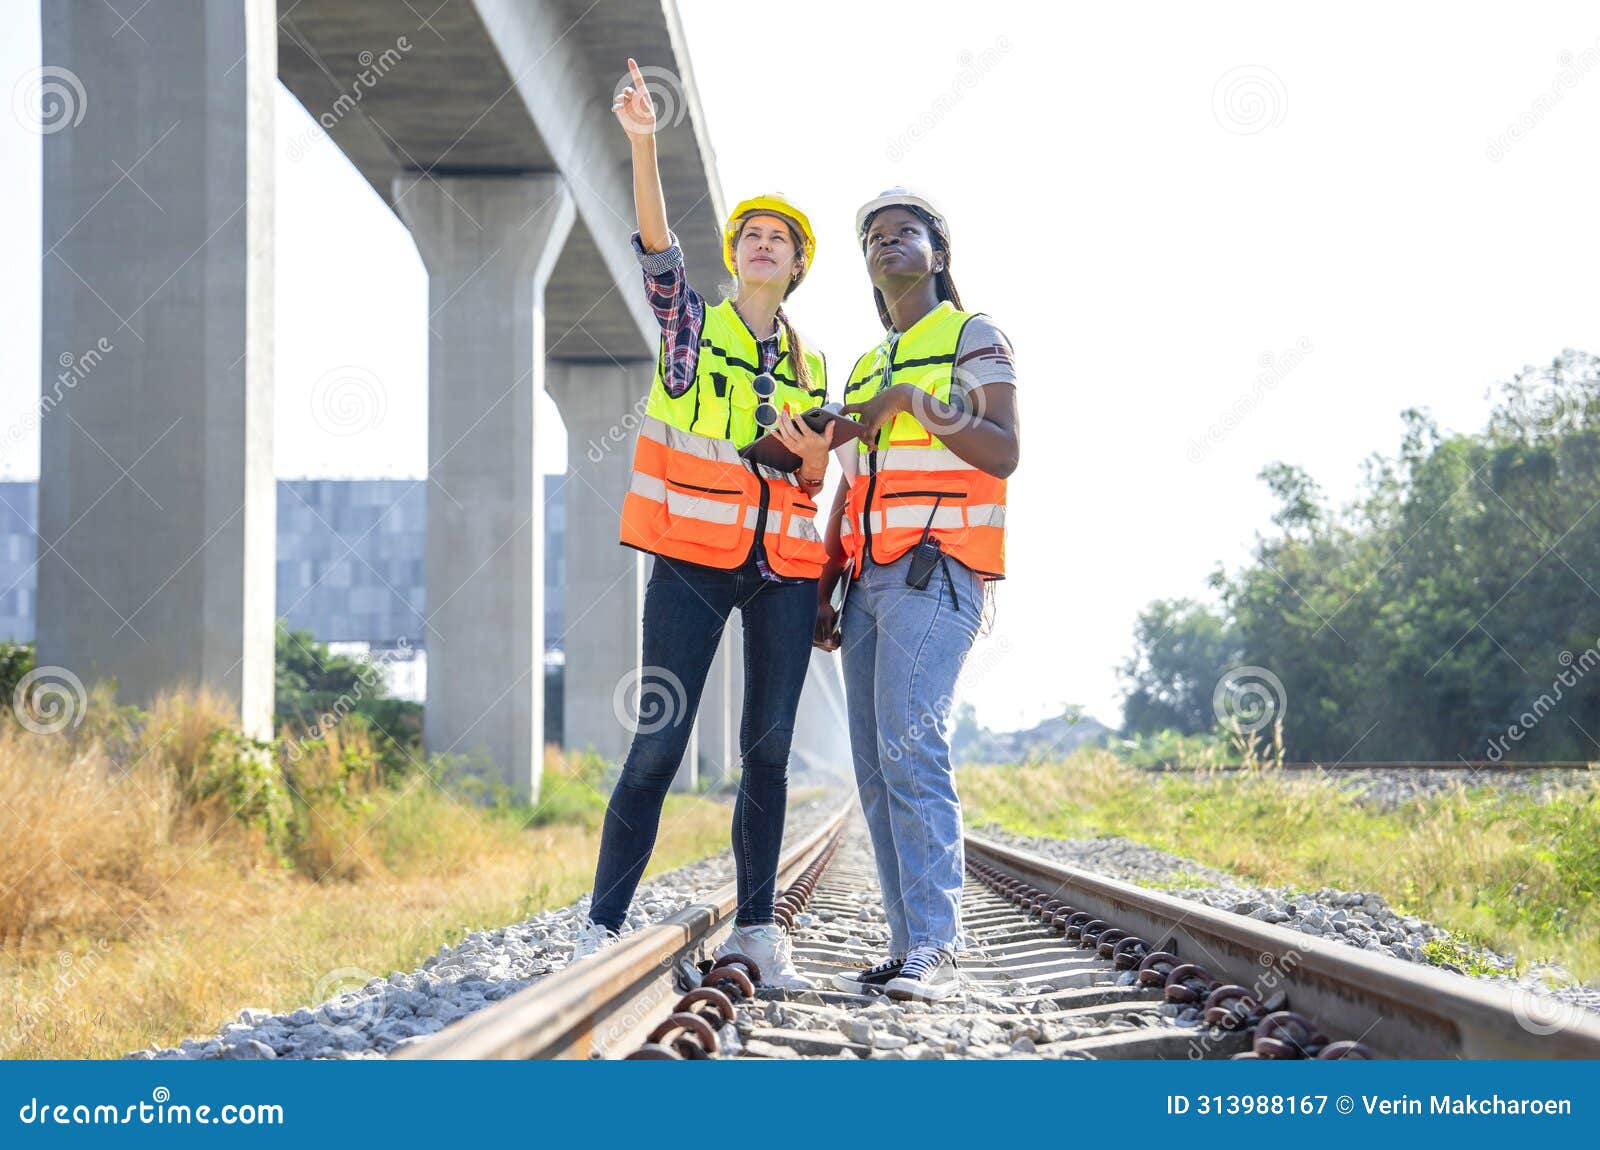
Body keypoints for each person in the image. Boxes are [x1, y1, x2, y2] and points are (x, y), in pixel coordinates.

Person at [572, 60, 835, 990]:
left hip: (785, 572)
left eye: (780, 240)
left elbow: (816, 474)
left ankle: (758, 933)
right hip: (690, 560)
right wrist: (645, 143)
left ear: (798, 265)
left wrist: (812, 455)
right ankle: (601, 928)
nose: (764, 245)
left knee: (768, 751)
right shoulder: (692, 330)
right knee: (659, 743)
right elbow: (655, 251)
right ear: (735, 256)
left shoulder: (813, 364)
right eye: (751, 235)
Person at [816, 188, 1020, 1002]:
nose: (887, 244)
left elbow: (1004, 450)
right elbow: (851, 483)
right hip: (867, 581)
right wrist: (826, 583)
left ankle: (936, 945)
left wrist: (912, 406)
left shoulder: (973, 338)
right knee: (873, 767)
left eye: (905, 233)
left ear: (939, 253)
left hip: (936, 571)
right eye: (874, 237)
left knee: (911, 745)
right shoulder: (868, 363)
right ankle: (908, 948)